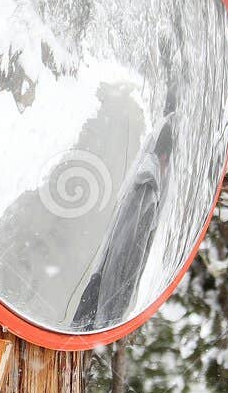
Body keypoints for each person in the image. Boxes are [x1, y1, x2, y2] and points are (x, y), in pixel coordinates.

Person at [72, 117, 175, 330]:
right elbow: (129, 248)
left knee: (78, 330)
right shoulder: (148, 188)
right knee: (81, 332)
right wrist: (115, 303)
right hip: (109, 283)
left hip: (103, 277)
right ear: (165, 157)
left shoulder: (143, 180)